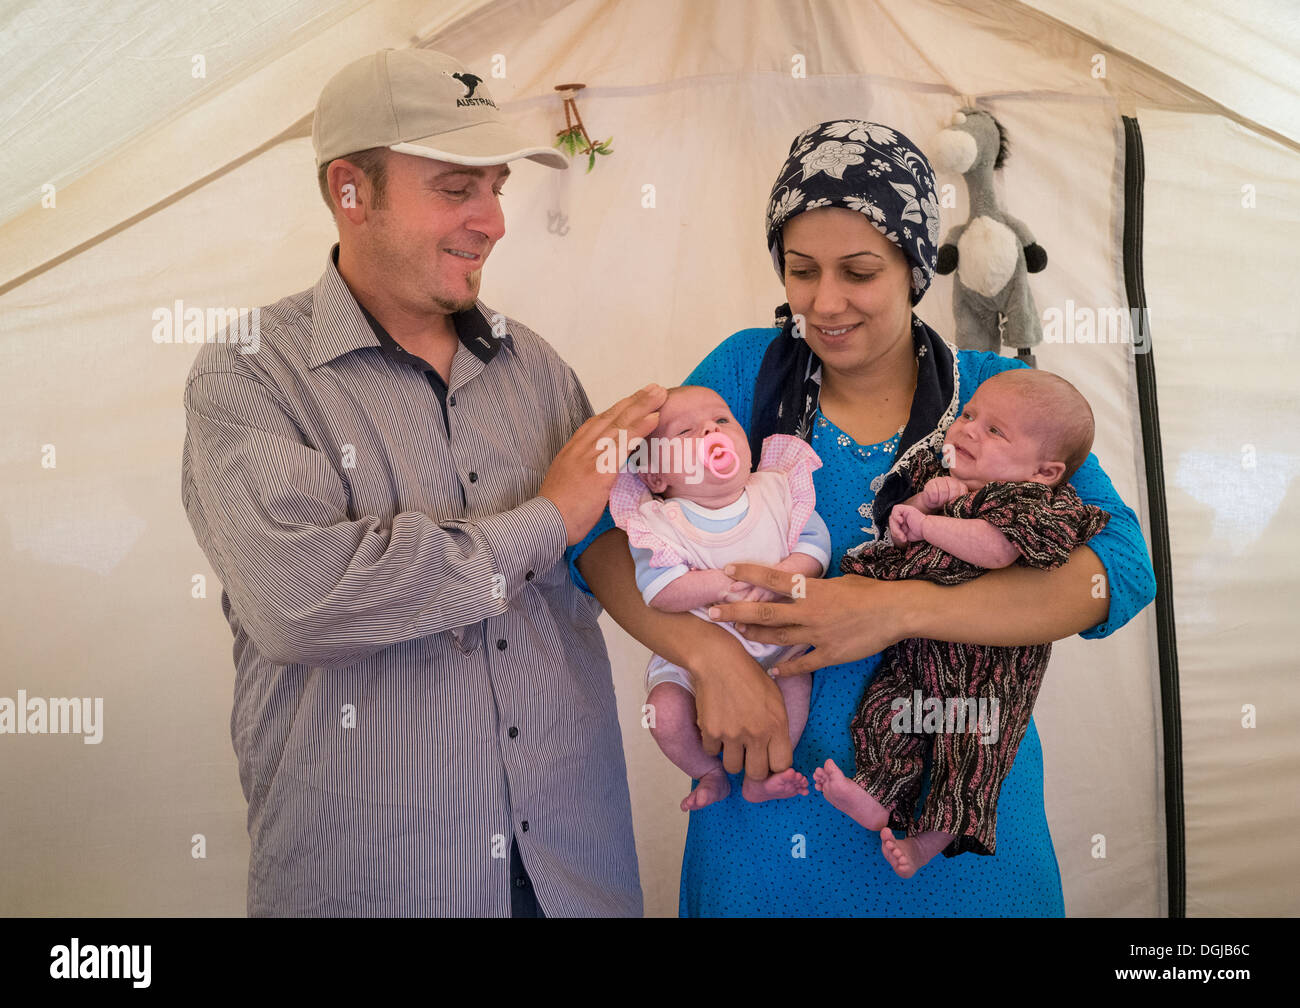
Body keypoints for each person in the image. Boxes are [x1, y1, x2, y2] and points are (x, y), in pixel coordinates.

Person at [573, 119, 1156, 916]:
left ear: (916, 269)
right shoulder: (745, 373)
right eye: (801, 270)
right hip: (767, 847)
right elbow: (601, 531)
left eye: (859, 271)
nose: (824, 302)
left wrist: (896, 608)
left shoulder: (996, 401)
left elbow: (1120, 572)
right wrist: (710, 657)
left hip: (957, 856)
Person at [180, 48, 665, 916]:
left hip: (572, 869)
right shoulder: (249, 376)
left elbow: (599, 562)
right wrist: (546, 516)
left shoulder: (538, 369)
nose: (493, 221)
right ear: (349, 192)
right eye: (455, 188)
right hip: (380, 884)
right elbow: (305, 601)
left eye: (497, 187)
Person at [814, 369, 1110, 878]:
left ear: (1044, 471)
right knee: (888, 711)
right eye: (969, 415)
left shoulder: (1034, 503)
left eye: (996, 431)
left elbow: (995, 550)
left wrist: (931, 522)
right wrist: (917, 506)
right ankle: (877, 793)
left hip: (991, 667)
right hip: (917, 649)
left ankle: (933, 839)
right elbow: (900, 534)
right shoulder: (939, 479)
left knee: (970, 751)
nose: (969, 429)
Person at [609, 385, 830, 810]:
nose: (710, 430)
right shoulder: (660, 523)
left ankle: (767, 773)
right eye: (687, 432)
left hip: (777, 643)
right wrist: (720, 584)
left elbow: (816, 546)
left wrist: (781, 576)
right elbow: (661, 592)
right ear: (657, 477)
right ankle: (708, 772)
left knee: (798, 679)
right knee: (665, 712)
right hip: (692, 660)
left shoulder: (776, 491)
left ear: (745, 448)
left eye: (722, 421)